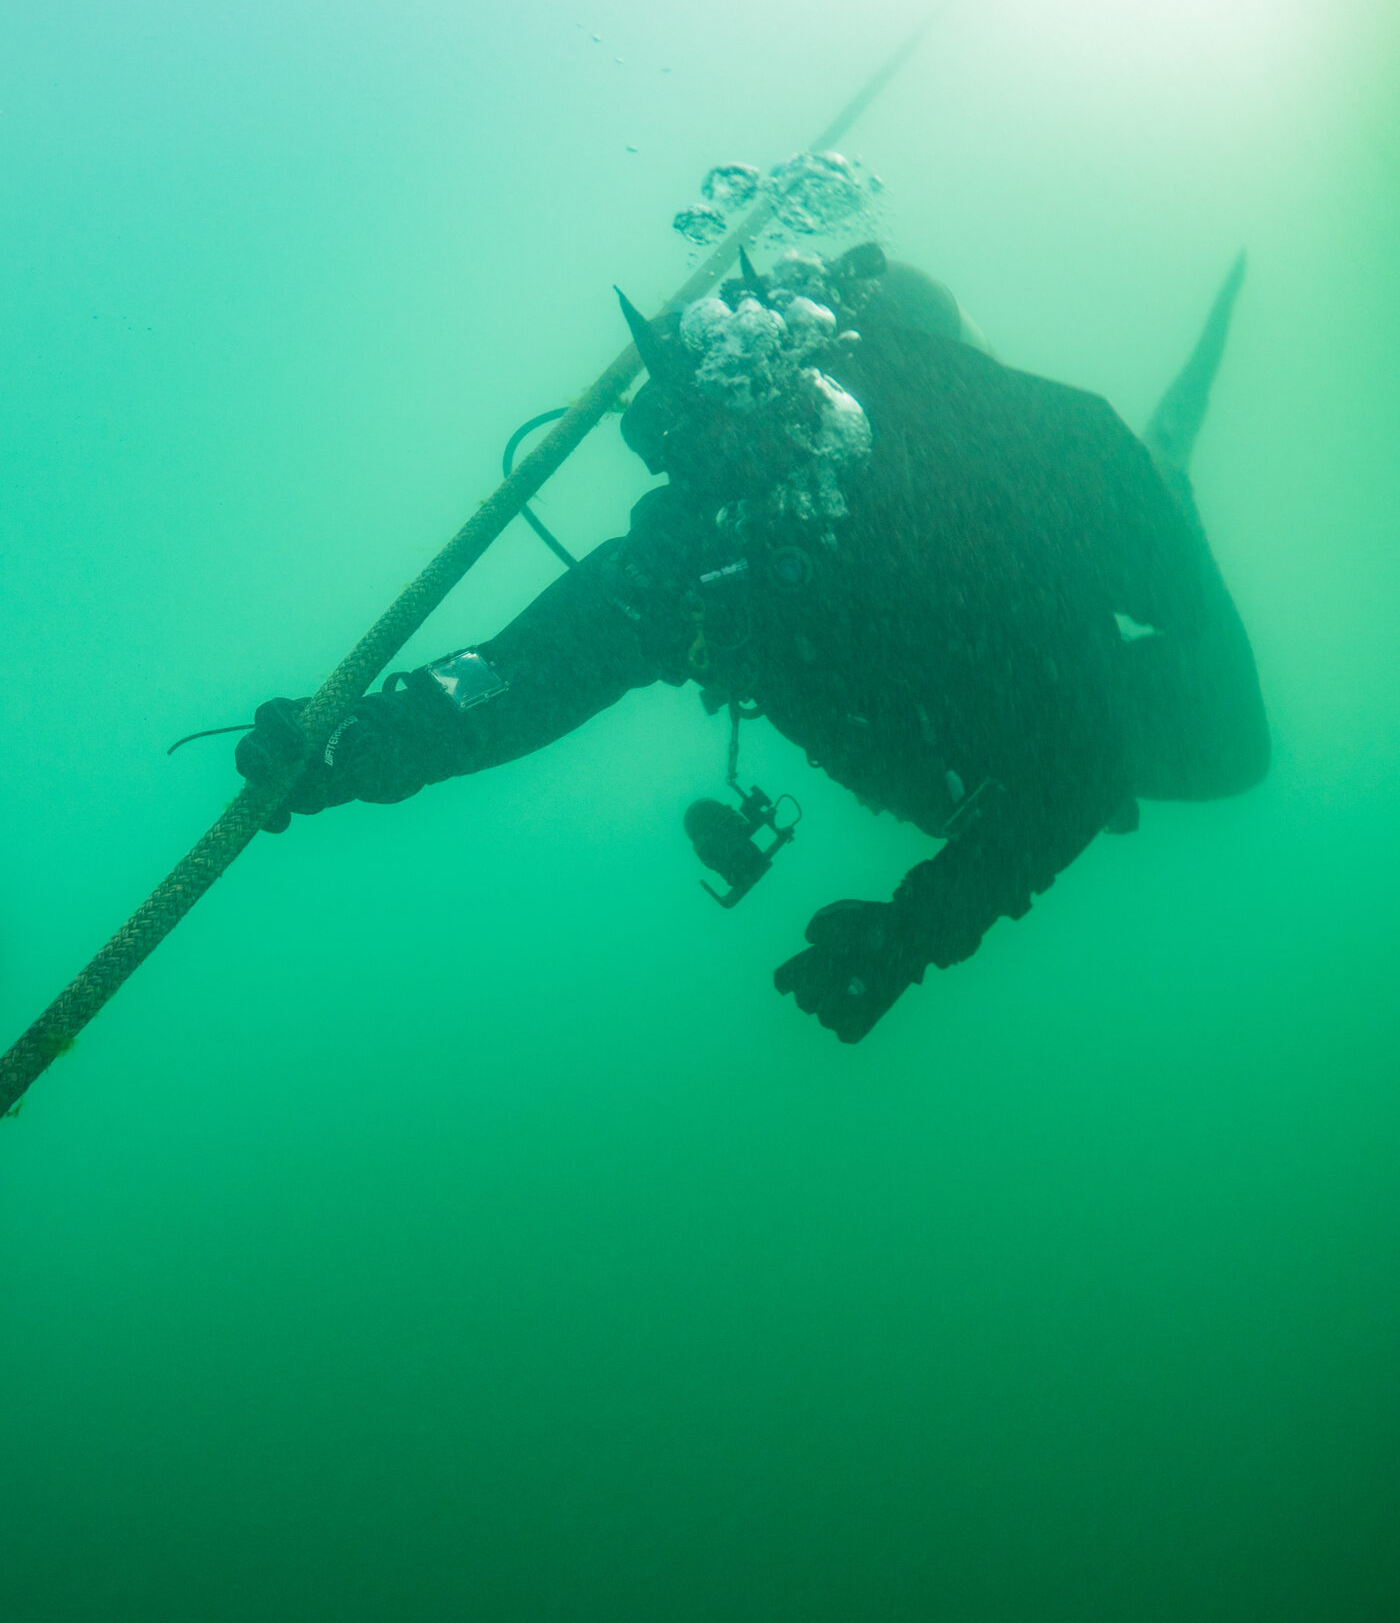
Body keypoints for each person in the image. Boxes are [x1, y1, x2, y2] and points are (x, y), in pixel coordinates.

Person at [238, 245, 1266, 1041]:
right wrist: (359, 744)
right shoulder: (708, 543)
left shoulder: (985, 496)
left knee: (1214, 731)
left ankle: (1167, 463)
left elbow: (1081, 762)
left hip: (1149, 714)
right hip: (963, 765)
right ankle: (1160, 471)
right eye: (697, 458)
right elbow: (533, 670)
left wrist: (917, 931)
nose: (740, 484)